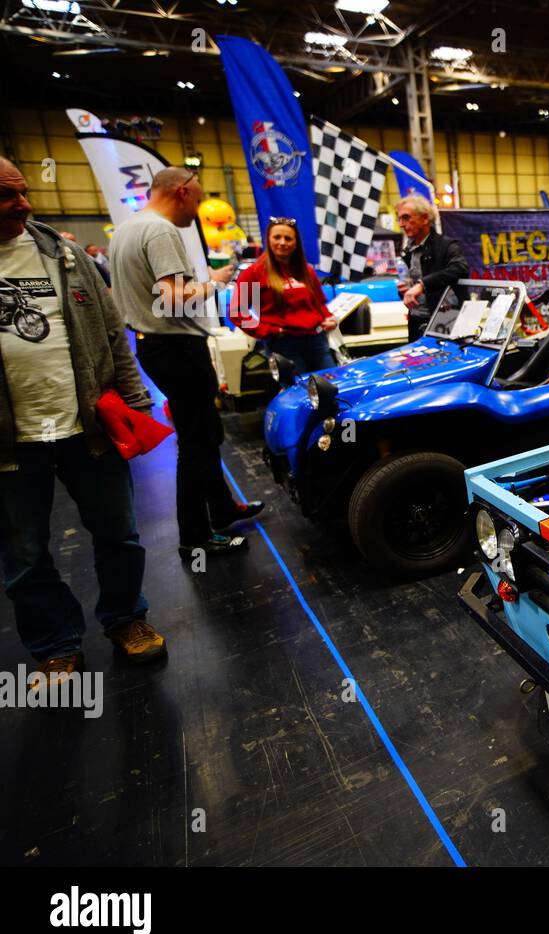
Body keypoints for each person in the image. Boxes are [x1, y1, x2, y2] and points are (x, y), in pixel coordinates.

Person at [0, 157, 167, 685]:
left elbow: (113, 332)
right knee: (24, 555)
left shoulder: (65, 255)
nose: (24, 205)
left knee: (119, 533)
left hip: (88, 428)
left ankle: (126, 619)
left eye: (24, 192)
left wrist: (137, 405)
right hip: (11, 442)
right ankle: (55, 646)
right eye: (8, 197)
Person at [108, 167, 262, 557]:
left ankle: (223, 509)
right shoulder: (161, 231)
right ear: (181, 191)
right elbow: (171, 299)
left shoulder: (128, 228)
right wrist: (217, 282)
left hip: (157, 345)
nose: (197, 211)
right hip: (177, 347)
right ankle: (195, 536)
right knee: (196, 444)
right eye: (196, 200)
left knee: (205, 436)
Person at [229, 217, 338, 371]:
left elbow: (318, 304)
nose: (282, 242)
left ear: (295, 243)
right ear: (268, 240)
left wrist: (329, 319)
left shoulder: (306, 271)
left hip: (317, 341)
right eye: (277, 237)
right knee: (297, 392)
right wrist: (267, 332)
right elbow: (238, 312)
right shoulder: (254, 273)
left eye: (288, 238)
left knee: (331, 386)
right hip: (283, 345)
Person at [396, 195, 468, 342]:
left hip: (446, 315)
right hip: (416, 320)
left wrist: (421, 285)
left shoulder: (447, 245)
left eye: (406, 218)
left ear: (425, 218)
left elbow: (460, 268)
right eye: (399, 219)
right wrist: (406, 290)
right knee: (418, 362)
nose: (401, 224)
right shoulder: (408, 250)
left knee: (445, 361)